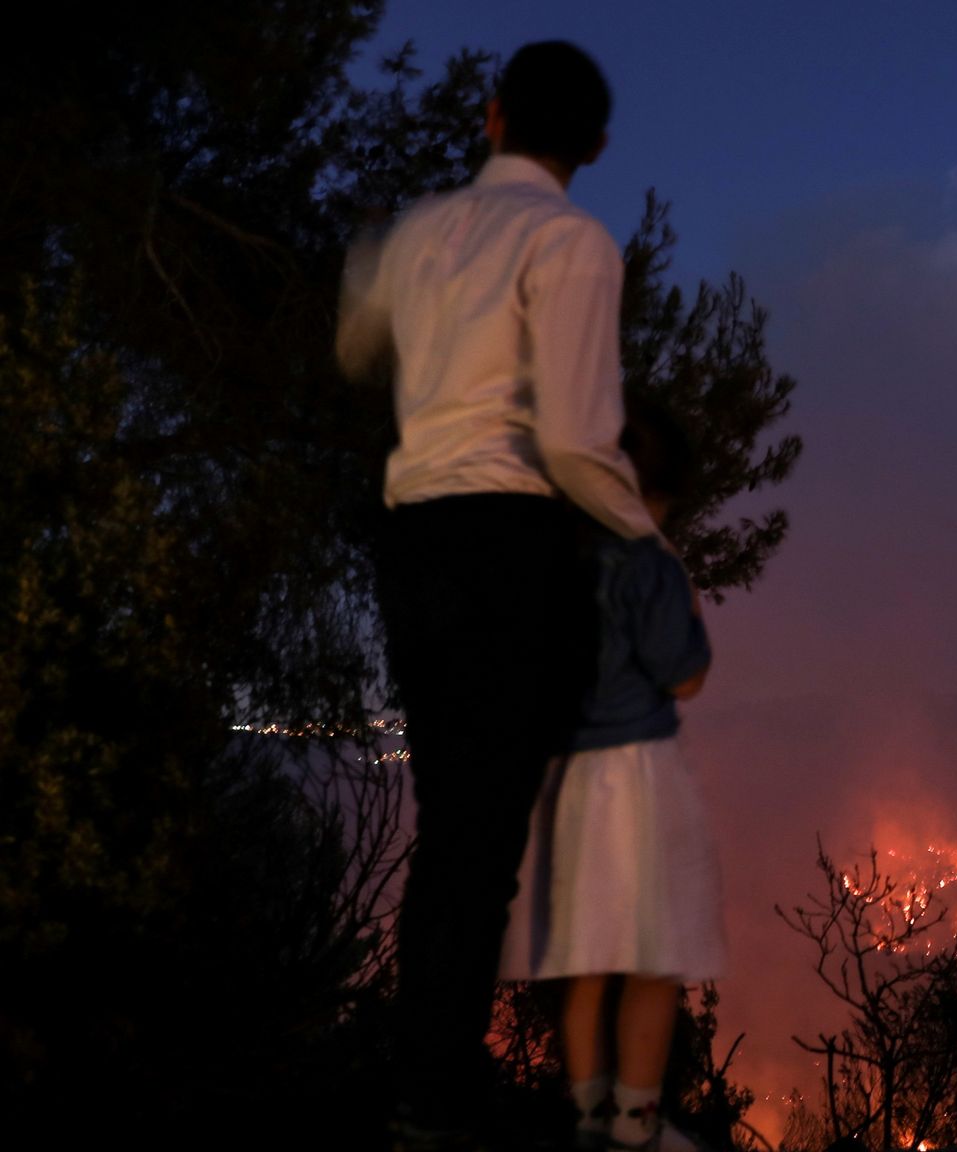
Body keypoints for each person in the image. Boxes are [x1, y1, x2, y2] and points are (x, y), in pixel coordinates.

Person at [335, 40, 665, 1151]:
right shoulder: (569, 242)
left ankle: (428, 1070)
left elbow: (354, 343)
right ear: (594, 147)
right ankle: (436, 1090)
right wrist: (645, 545)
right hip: (509, 544)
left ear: (489, 118)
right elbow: (575, 439)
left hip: (413, 542)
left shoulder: (419, 233)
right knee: (498, 831)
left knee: (456, 825)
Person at [499, 400, 726, 1152]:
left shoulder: (561, 555)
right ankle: (635, 1125)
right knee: (653, 955)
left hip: (568, 779)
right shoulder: (648, 562)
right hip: (637, 778)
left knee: (585, 955)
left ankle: (588, 1113)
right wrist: (688, 607)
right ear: (657, 493)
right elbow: (684, 676)